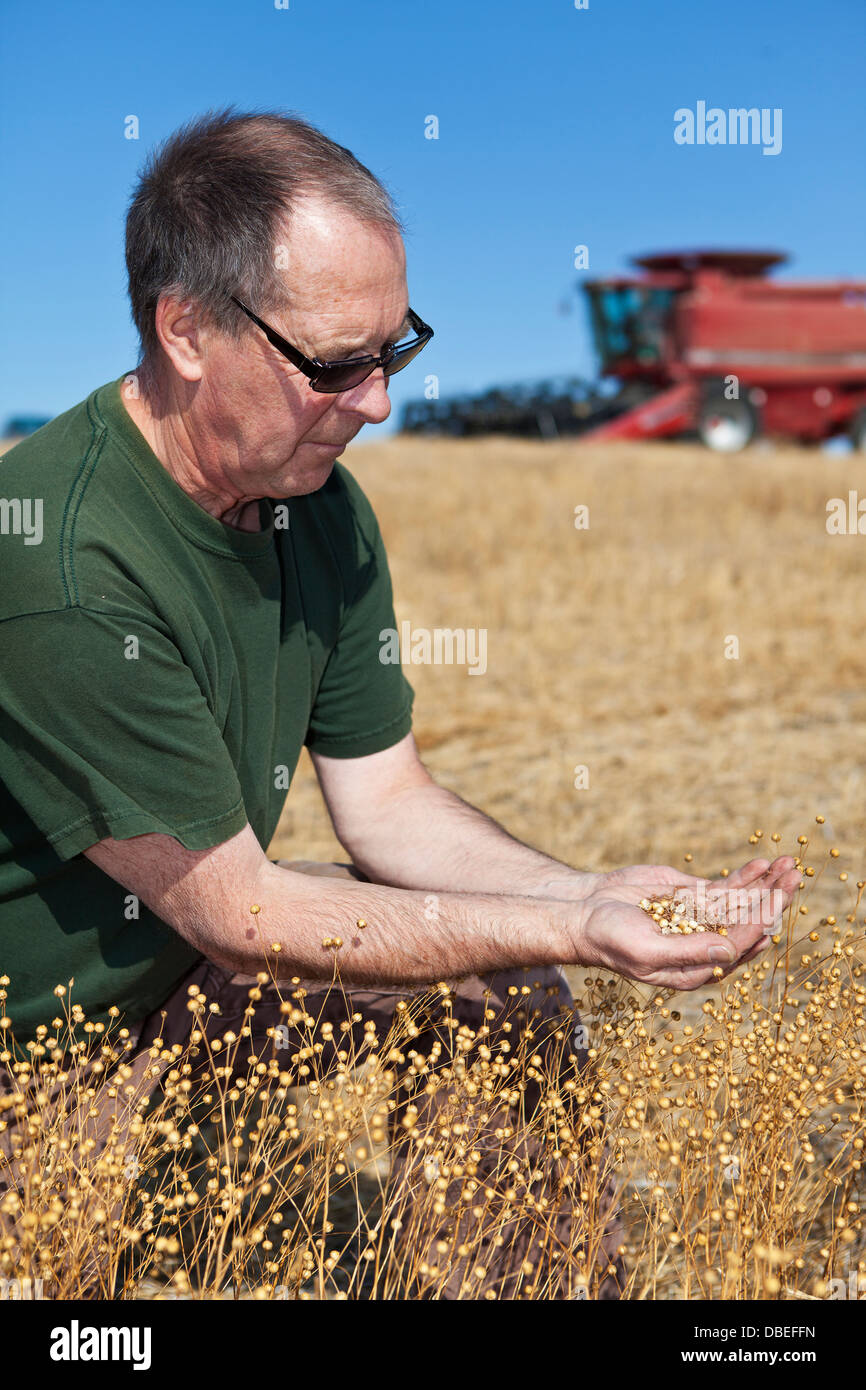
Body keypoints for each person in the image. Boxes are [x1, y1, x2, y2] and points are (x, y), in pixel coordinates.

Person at [0, 110, 800, 1299]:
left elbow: (388, 804)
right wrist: (573, 927)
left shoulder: (314, 504)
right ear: (185, 330)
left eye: (397, 350)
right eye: (333, 363)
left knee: (492, 983)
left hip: (177, 982)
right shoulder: (59, 566)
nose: (378, 404)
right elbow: (243, 911)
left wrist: (586, 892)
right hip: (38, 1055)